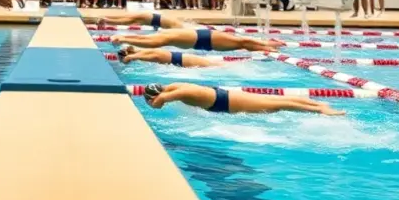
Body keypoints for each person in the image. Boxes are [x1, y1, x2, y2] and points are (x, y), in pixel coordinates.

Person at [141, 82, 345, 116]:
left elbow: (158, 104)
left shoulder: (171, 93)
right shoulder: (173, 85)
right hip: (225, 96)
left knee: (277, 105)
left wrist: (152, 101)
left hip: (227, 102)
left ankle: (320, 109)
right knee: (274, 102)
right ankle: (318, 103)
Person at [110, 28, 282, 54]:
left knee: (241, 43)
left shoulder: (162, 37)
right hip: (205, 39)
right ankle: (267, 45)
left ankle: (267, 45)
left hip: (206, 38)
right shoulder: (162, 36)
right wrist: (124, 38)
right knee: (241, 43)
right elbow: (143, 39)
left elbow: (145, 41)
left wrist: (123, 38)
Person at [116, 44, 230, 68]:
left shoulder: (144, 54)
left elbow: (155, 56)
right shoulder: (142, 52)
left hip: (184, 60)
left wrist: (130, 57)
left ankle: (231, 65)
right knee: (214, 65)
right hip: (182, 59)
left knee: (215, 66)